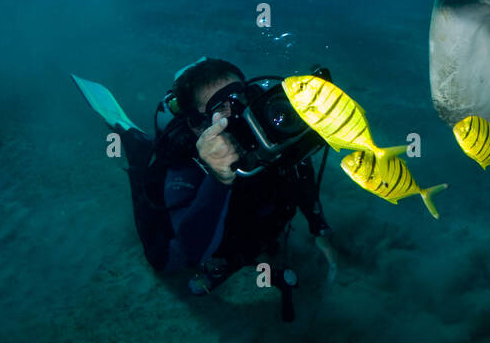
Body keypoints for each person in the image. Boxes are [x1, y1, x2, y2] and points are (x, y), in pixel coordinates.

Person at [119, 58, 337, 310]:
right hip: (204, 234)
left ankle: (234, 259)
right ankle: (134, 142)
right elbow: (190, 250)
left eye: (239, 98)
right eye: (219, 108)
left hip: (249, 226)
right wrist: (218, 179)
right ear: (197, 126)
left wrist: (318, 225)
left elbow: (300, 169)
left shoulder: (266, 126)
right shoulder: (184, 167)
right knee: (163, 261)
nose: (235, 114)